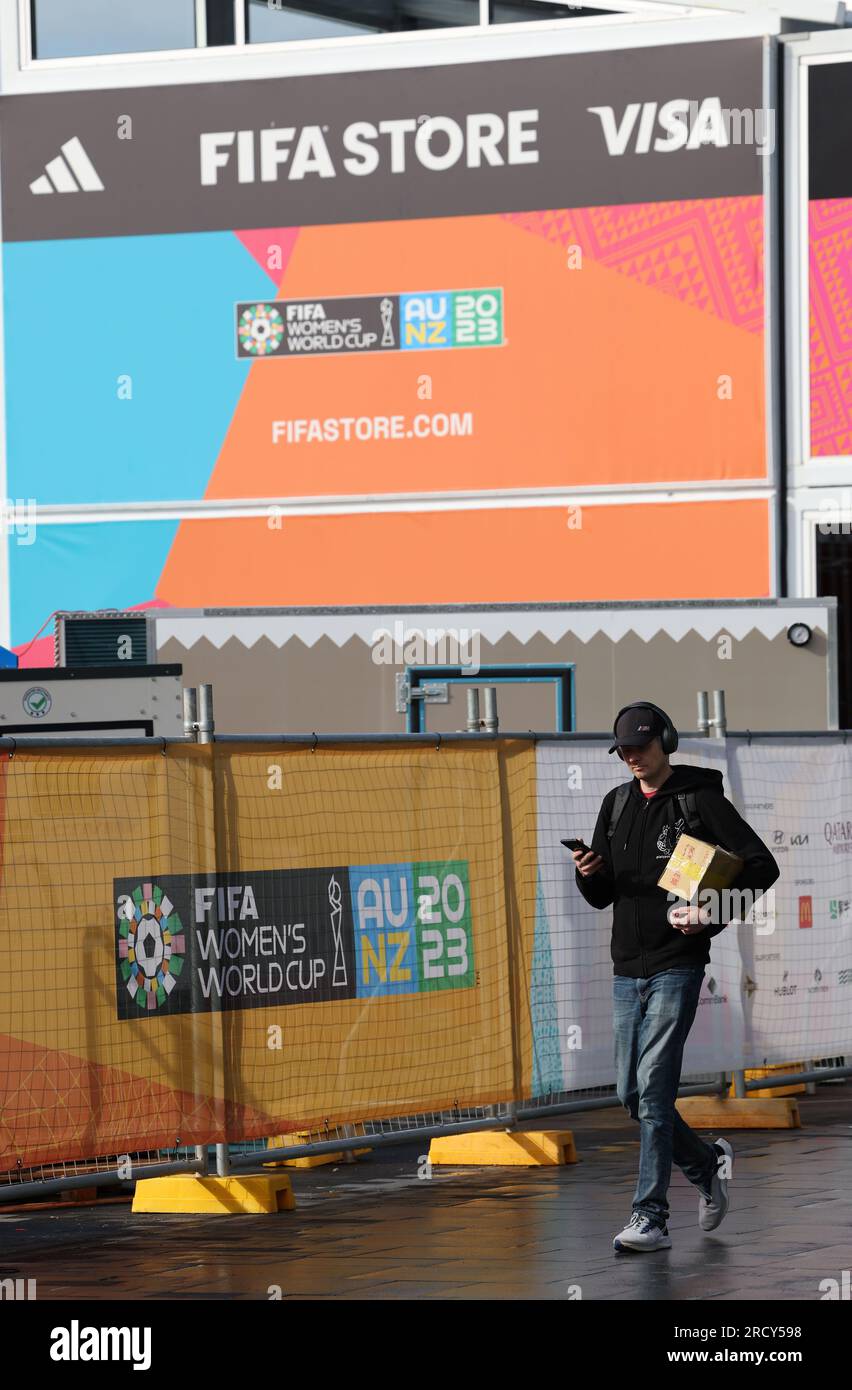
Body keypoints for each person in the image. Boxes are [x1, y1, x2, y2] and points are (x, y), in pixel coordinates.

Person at [572, 701, 780, 1253]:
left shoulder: (699, 800)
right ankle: (706, 1164)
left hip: (678, 966)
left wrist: (710, 911)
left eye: (641, 747)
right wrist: (588, 873)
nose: (633, 758)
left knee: (655, 1088)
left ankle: (651, 1216)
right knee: (631, 1093)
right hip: (626, 969)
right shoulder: (616, 803)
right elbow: (602, 895)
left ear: (666, 742)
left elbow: (763, 866)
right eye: (624, 751)